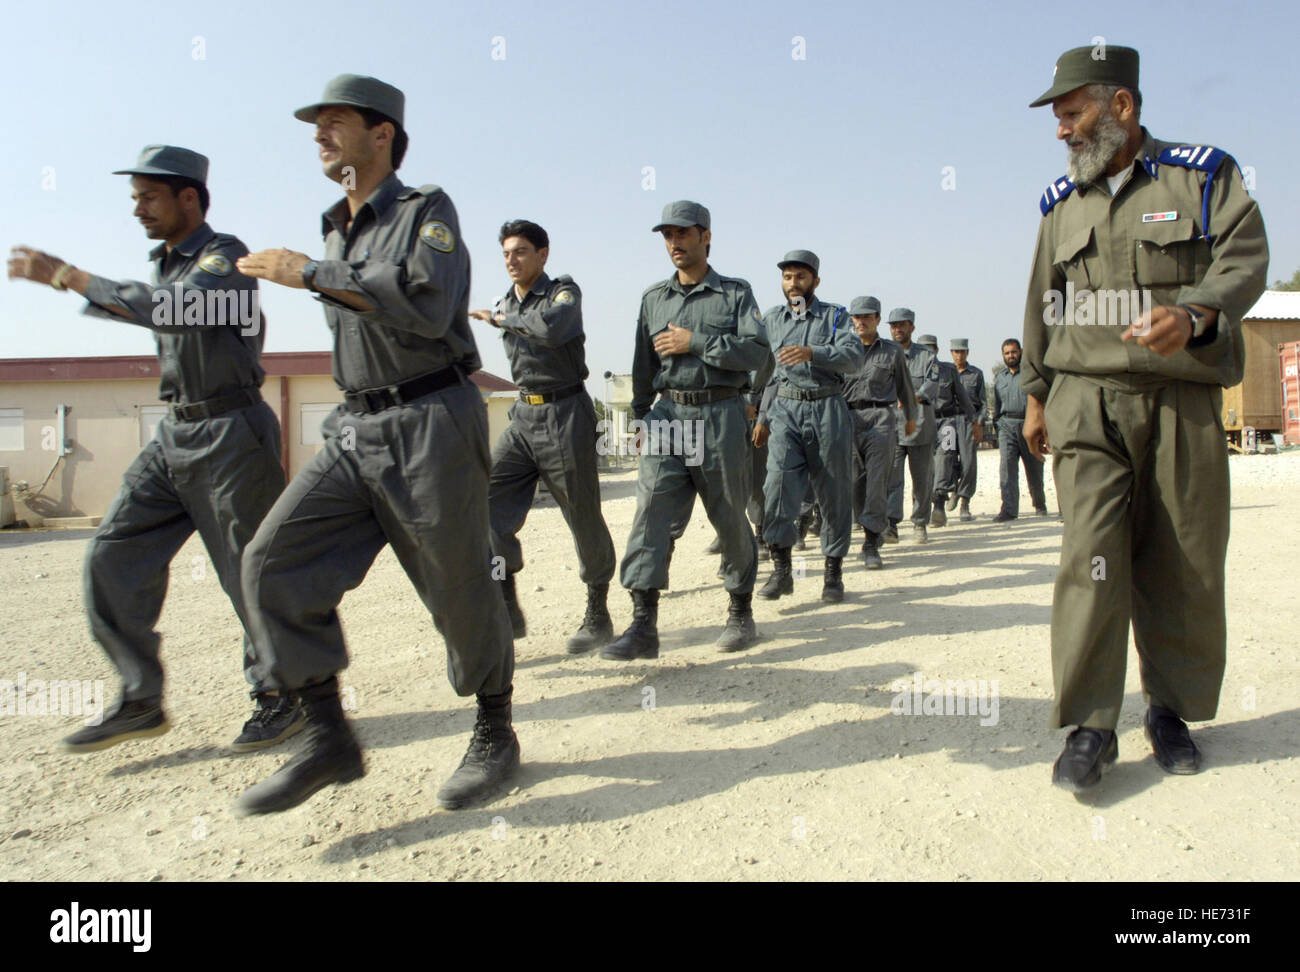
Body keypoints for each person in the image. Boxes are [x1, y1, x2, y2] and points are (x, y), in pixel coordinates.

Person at [231, 75, 518, 814]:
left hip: (431, 419)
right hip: (355, 425)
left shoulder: (427, 209)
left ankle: (495, 727)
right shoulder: (337, 225)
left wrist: (312, 274)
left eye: (334, 122)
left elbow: (425, 305)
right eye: (314, 126)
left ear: (381, 133)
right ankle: (328, 735)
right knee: (270, 560)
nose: (319, 136)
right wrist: (323, 267)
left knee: (456, 584)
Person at [1020, 45, 1268, 789]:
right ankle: (1092, 725)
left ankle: (1170, 710)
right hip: (1087, 400)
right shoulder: (1060, 202)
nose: (1061, 130)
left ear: (1121, 105)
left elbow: (1245, 258)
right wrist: (1036, 393)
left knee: (1183, 558)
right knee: (1089, 558)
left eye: (1072, 112)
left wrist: (1194, 313)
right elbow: (1043, 300)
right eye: (1059, 117)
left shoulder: (1203, 175)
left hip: (1182, 397)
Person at [8, 146, 291, 753]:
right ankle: (140, 697)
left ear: (189, 197)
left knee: (250, 572)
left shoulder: (226, 260)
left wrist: (70, 276)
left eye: (148, 197)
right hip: (174, 435)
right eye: (134, 198)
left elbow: (181, 311)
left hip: (231, 432)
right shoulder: (164, 265)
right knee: (112, 552)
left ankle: (281, 695)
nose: (137, 209)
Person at [605, 200, 770, 658]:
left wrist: (694, 342)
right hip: (667, 418)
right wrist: (640, 418)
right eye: (667, 236)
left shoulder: (735, 294)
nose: (673, 243)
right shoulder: (653, 298)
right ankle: (643, 624)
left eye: (682, 233)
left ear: (706, 236)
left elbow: (755, 354)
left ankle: (740, 612)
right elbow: (642, 366)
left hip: (720, 415)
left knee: (730, 515)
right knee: (650, 512)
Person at [470, 220, 616, 653]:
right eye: (506, 254)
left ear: (542, 254)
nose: (511, 261)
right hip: (523, 415)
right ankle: (505, 599)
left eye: (519, 252)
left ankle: (598, 612)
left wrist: (500, 318)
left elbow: (552, 328)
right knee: (486, 502)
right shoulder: (506, 300)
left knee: (582, 514)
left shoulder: (563, 293)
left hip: (565, 413)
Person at [753, 251, 863, 602]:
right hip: (785, 409)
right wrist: (761, 416)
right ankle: (782, 570)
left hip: (827, 407)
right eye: (787, 277)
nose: (793, 284)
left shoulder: (835, 316)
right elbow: (764, 372)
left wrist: (813, 352)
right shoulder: (771, 320)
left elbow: (854, 358)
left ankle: (833, 574)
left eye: (800, 277)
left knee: (833, 492)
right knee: (777, 486)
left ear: (815, 281)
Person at [843, 297, 916, 568]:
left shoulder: (892, 351)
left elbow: (905, 387)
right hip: (847, 418)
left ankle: (872, 541)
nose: (860, 321)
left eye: (866, 317)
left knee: (877, 480)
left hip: (881, 418)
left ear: (876, 319)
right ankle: (866, 525)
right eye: (856, 317)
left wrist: (910, 417)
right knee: (853, 481)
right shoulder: (843, 350)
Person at [885, 309, 940, 543]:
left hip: (919, 428)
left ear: (912, 328)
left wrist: (911, 397)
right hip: (891, 429)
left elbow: (932, 384)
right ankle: (891, 525)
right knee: (892, 480)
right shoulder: (884, 354)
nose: (897, 329)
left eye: (902, 325)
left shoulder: (927, 356)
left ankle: (919, 523)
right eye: (894, 325)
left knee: (921, 480)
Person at [916, 334, 977, 528]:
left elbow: (963, 397)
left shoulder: (949, 371)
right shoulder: (911, 369)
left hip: (946, 422)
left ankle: (940, 502)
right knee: (923, 465)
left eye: (931, 349)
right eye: (924, 349)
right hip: (922, 421)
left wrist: (974, 419)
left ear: (937, 350)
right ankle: (921, 508)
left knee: (945, 458)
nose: (928, 352)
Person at [992, 338, 1046, 521]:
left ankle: (1040, 504)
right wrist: (998, 424)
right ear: (1003, 355)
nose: (1010, 356)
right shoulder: (999, 378)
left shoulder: (1030, 374)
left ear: (1020, 352)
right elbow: (997, 404)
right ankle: (1008, 510)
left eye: (1013, 352)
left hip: (1028, 425)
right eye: (1007, 353)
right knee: (1006, 468)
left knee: (1034, 468)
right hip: (1006, 425)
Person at [949, 339, 986, 521]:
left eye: (962, 351)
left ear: (967, 353)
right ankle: (953, 490)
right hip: (947, 423)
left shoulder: (976, 374)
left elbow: (983, 404)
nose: (959, 355)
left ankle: (964, 501)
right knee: (946, 460)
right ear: (951, 353)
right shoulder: (946, 372)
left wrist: (978, 422)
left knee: (969, 463)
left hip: (968, 421)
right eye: (956, 351)